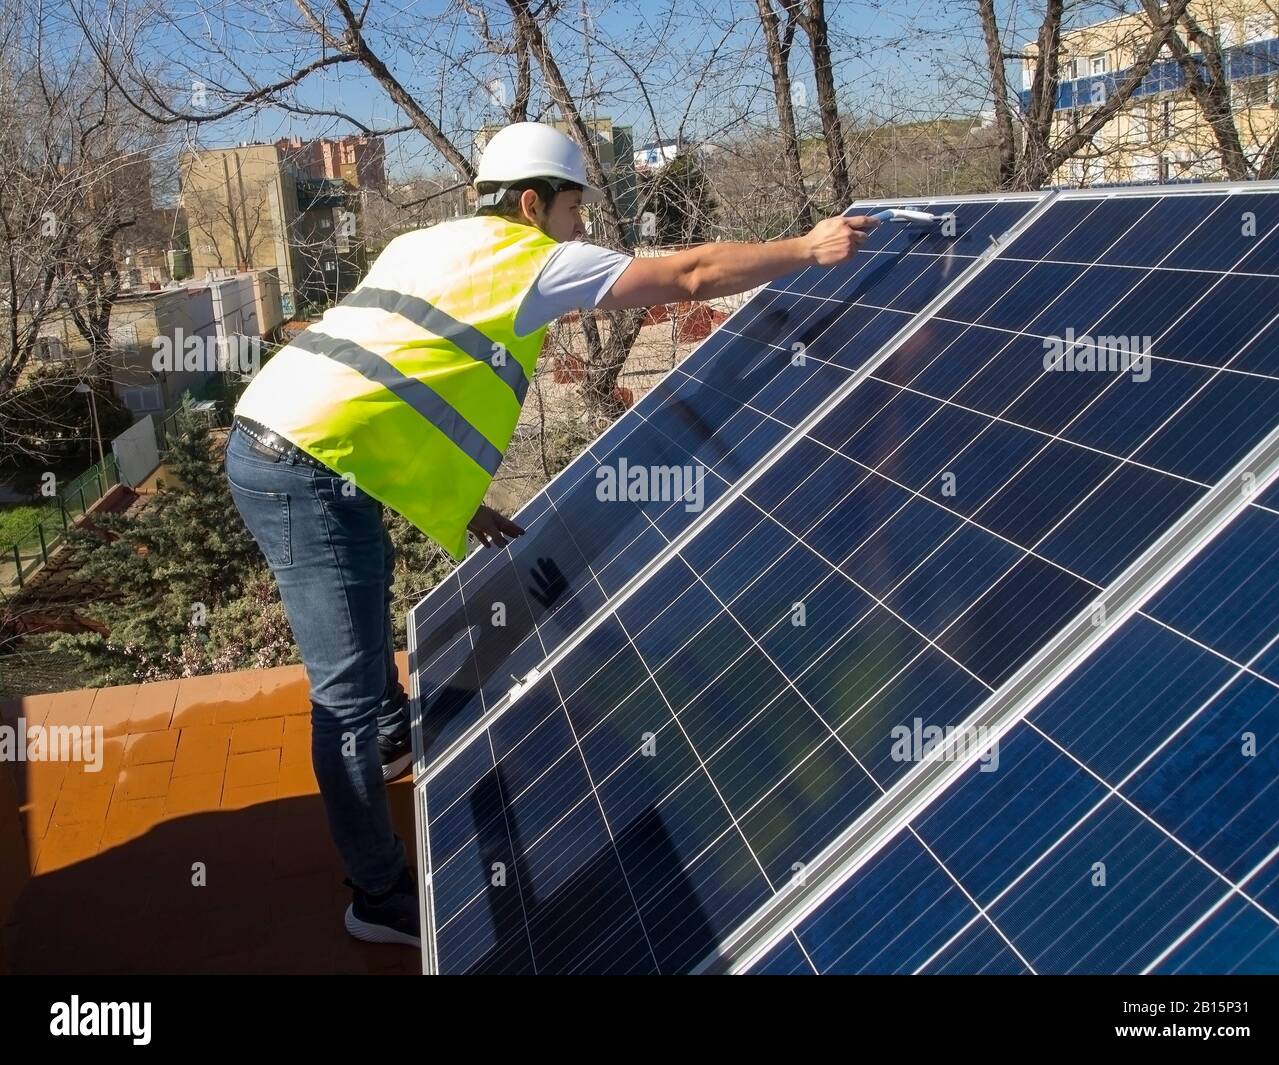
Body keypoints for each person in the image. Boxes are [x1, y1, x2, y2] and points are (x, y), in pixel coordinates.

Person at [224, 121, 878, 948]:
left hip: (297, 442)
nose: (581, 228)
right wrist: (807, 248)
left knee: (364, 582)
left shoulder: (427, 244)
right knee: (342, 700)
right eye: (573, 208)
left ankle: (391, 738)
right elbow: (691, 272)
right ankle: (378, 892)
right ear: (533, 203)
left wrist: (461, 502)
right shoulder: (530, 255)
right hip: (301, 467)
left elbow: (391, 366)